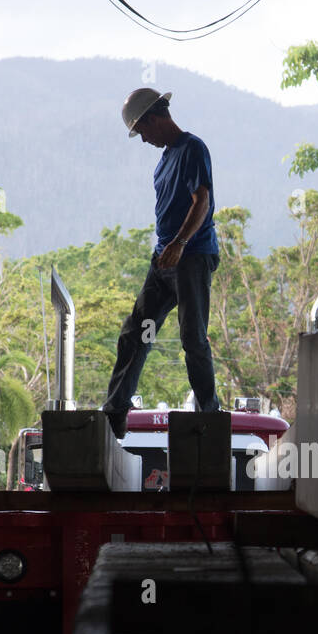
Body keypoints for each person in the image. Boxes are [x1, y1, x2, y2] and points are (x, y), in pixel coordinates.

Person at [103, 88, 221, 439]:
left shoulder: (192, 149)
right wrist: (167, 250)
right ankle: (115, 413)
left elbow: (202, 201)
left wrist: (181, 243)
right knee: (138, 332)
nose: (143, 140)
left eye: (142, 131)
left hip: (192, 257)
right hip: (164, 261)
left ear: (154, 120)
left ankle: (208, 414)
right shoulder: (163, 162)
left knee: (192, 337)